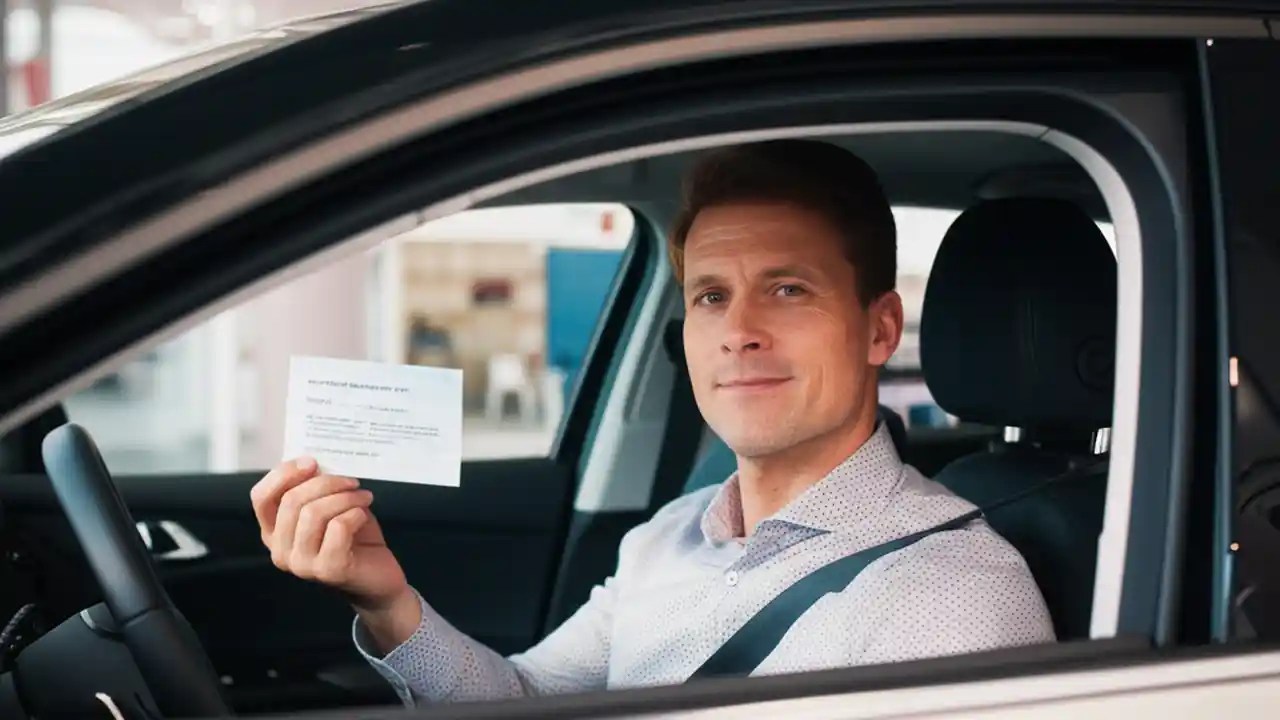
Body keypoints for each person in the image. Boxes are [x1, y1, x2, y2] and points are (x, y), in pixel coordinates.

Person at [250, 140, 1054, 706]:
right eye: (711, 296)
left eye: (787, 289)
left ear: (880, 330)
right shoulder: (669, 536)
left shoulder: (953, 595)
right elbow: (526, 699)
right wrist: (387, 603)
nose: (739, 330)